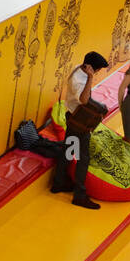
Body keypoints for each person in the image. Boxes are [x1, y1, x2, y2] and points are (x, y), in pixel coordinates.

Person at [51, 50, 109, 210]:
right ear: (89, 68)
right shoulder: (79, 80)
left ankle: (59, 183)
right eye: (96, 70)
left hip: (71, 117)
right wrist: (90, 78)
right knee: (84, 158)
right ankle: (79, 195)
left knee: (69, 151)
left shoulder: (78, 67)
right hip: (79, 121)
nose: (96, 73)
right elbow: (84, 100)